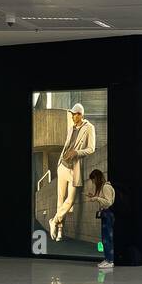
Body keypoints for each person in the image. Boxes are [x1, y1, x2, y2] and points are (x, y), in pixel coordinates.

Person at [51, 102, 96, 242]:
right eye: (71, 114)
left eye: (74, 114)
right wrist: (59, 162)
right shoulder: (71, 128)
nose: (72, 116)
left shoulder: (89, 128)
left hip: (74, 169)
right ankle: (59, 231)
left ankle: (54, 220)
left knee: (69, 200)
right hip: (63, 167)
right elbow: (66, 145)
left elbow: (91, 148)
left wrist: (77, 152)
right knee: (60, 199)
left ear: (80, 115)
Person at [83, 169, 115, 270]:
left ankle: (110, 260)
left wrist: (97, 198)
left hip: (108, 213)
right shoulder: (103, 187)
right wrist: (95, 196)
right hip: (105, 214)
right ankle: (107, 259)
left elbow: (108, 202)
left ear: (96, 178)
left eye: (93, 180)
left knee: (107, 238)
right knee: (105, 238)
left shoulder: (106, 187)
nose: (93, 182)